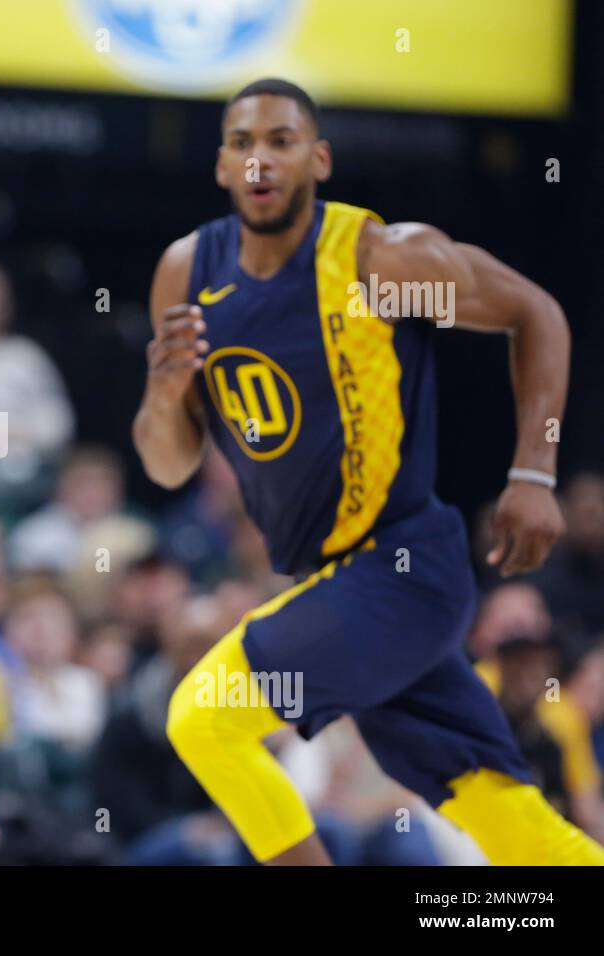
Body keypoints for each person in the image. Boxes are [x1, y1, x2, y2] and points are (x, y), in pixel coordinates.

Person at [132, 77, 603, 865]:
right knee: (506, 820)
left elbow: (536, 312)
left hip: (402, 566)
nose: (260, 160)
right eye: (243, 144)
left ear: (317, 158)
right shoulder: (186, 273)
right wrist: (164, 391)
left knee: (204, 717)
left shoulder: (379, 259)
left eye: (281, 141)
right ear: (221, 165)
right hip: (333, 590)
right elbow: (169, 461)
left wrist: (534, 474)